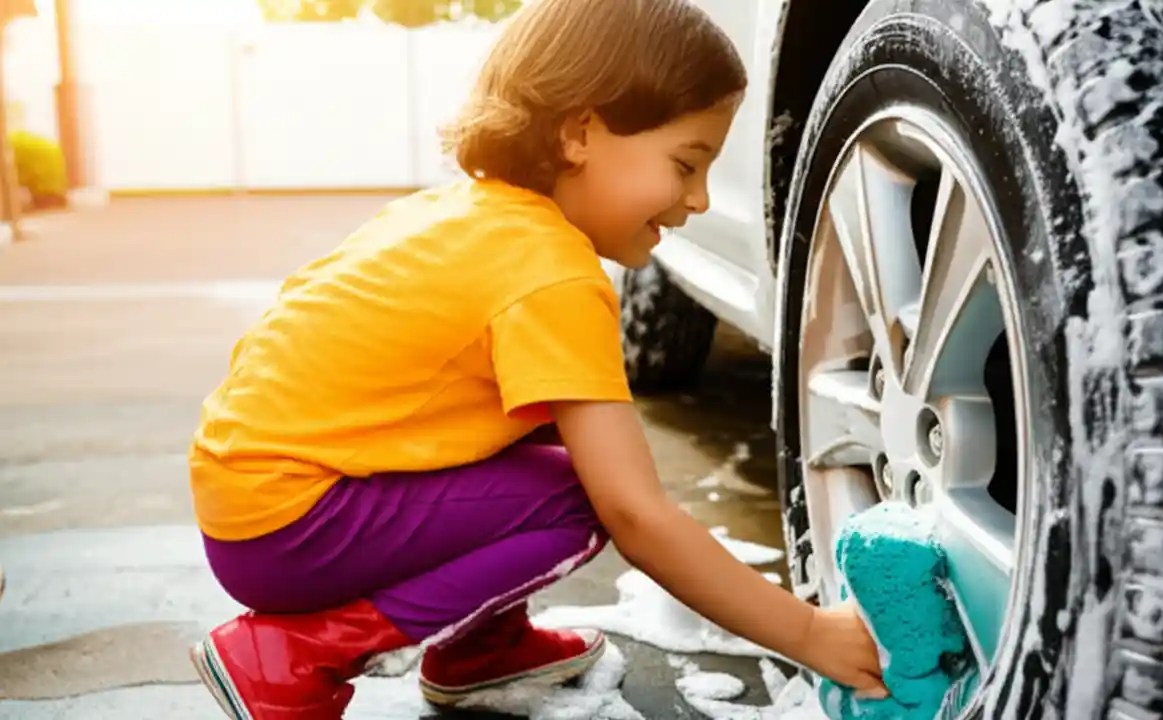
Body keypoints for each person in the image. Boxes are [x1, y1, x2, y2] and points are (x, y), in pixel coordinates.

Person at [187, 0, 886, 717]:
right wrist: (807, 631)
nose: (699, 200)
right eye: (686, 163)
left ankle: (479, 649)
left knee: (549, 439)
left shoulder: (466, 215)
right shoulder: (548, 271)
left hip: (251, 506)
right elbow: (635, 516)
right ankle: (298, 654)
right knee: (581, 500)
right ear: (581, 132)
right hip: (292, 530)